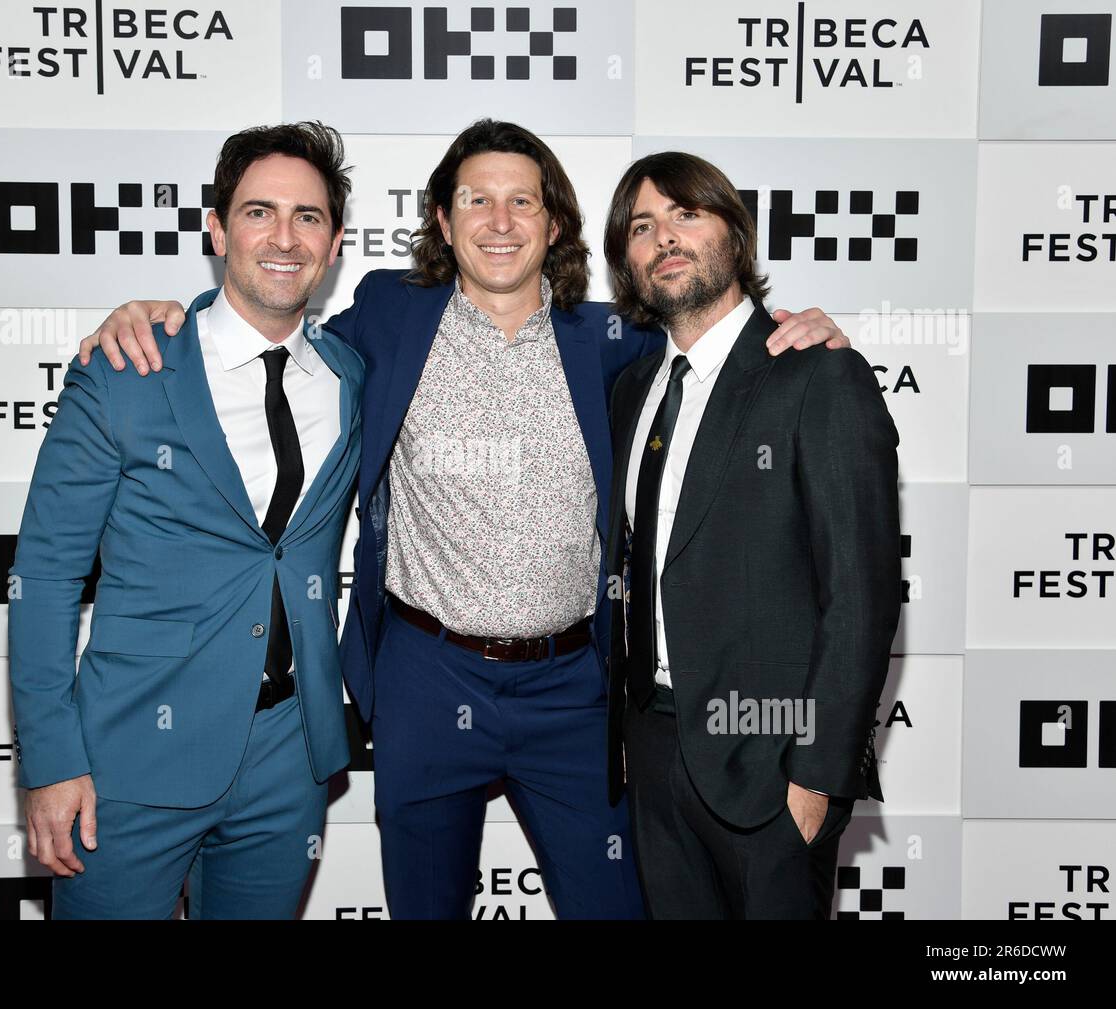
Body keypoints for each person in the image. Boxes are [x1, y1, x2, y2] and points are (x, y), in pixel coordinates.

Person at [76, 120, 850, 919]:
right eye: (477, 199)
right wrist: (158, 317)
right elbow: (264, 335)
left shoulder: (611, 340)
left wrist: (794, 335)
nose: (501, 220)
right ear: (444, 221)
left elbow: (712, 344)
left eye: (523, 200)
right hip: (425, 676)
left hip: (571, 687)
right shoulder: (387, 316)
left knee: (619, 905)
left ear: (554, 225)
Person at [8, 122, 363, 918]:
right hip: (129, 756)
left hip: (288, 758)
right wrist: (51, 760)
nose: (283, 237)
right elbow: (45, 576)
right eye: (257, 212)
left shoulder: (349, 375)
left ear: (335, 242)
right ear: (216, 228)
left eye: (308, 217)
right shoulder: (127, 366)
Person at [603, 151, 901, 919]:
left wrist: (818, 777)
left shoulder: (817, 374)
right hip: (654, 753)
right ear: (627, 262)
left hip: (771, 766)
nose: (664, 237)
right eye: (643, 226)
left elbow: (861, 597)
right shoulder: (632, 389)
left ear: (734, 235)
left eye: (685, 214)